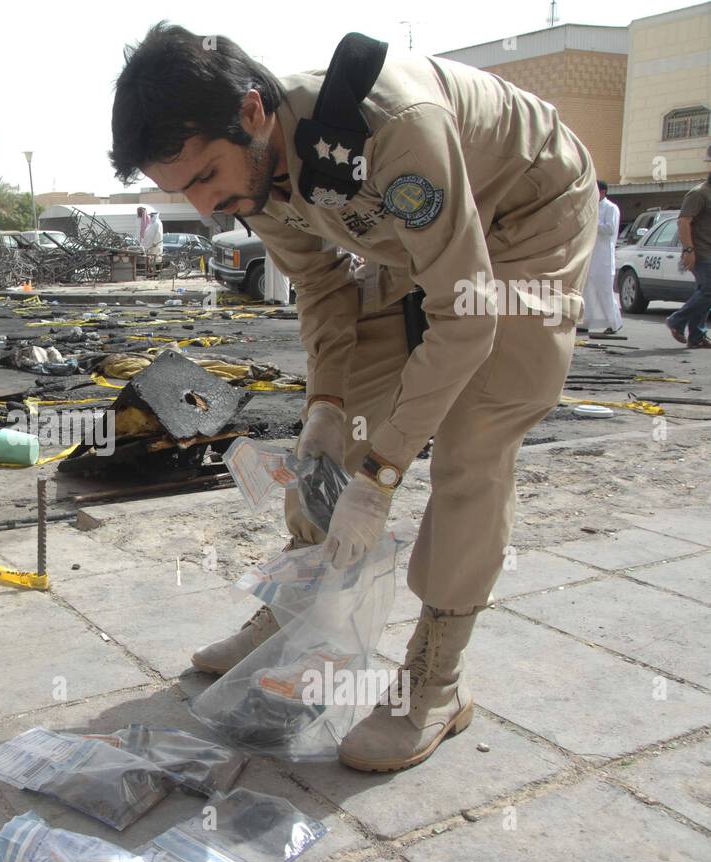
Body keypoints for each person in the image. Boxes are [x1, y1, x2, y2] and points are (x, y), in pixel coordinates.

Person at [111, 24, 596, 772]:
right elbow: (321, 286)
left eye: (206, 177)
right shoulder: (257, 171)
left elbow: (465, 316)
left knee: (475, 435)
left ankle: (437, 677)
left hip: (523, 217)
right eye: (183, 192)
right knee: (343, 435)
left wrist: (386, 474)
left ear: (251, 111)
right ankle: (297, 606)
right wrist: (330, 408)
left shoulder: (392, 131)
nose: (208, 207)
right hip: (422, 240)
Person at [666, 145, 711, 349]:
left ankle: (697, 336)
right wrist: (688, 250)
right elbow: (684, 222)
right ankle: (677, 320)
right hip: (701, 253)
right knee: (708, 291)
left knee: (705, 292)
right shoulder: (699, 193)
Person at [581, 181, 623, 335]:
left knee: (605, 290)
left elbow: (610, 229)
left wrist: (594, 223)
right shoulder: (591, 206)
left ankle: (614, 323)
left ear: (603, 192)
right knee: (588, 288)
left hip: (604, 256)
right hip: (592, 254)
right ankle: (587, 321)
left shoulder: (611, 208)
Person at [136, 205, 163, 269]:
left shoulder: (158, 223)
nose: (150, 217)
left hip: (155, 246)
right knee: (149, 261)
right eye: (150, 215)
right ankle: (149, 274)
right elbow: (145, 234)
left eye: (152, 215)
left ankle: (154, 274)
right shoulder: (151, 224)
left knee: (154, 260)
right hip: (148, 246)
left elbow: (158, 235)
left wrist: (155, 243)